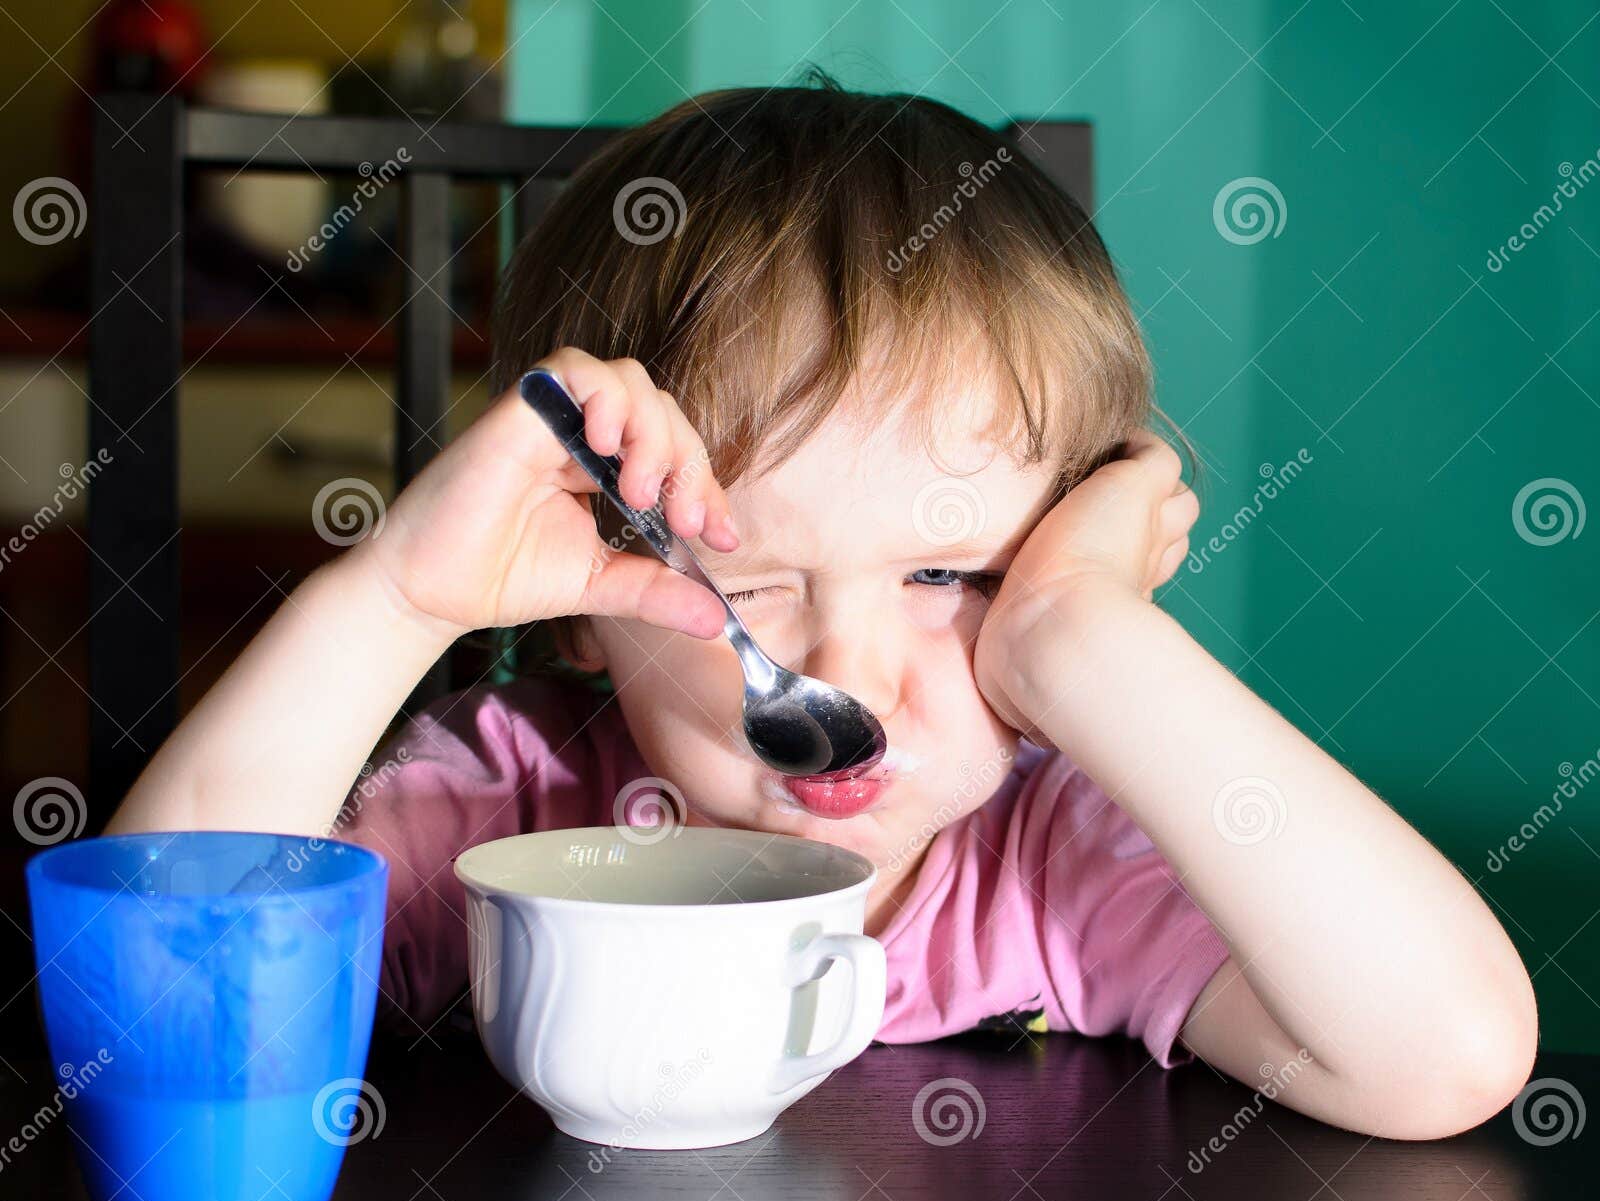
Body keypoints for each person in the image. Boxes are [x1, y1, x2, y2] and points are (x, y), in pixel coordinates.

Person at [107, 78, 1536, 1140]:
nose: (847, 678)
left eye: (953, 578)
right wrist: (399, 597)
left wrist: (1088, 641)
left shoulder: (1051, 864)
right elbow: (154, 1020)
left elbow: (1448, 1057)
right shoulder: (513, 814)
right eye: (744, 584)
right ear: (582, 603)